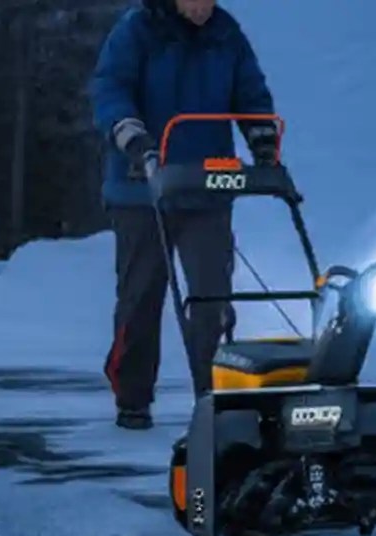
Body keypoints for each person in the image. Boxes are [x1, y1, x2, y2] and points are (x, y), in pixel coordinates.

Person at [89, 0, 278, 430]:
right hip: (141, 187)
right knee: (141, 297)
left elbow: (250, 92)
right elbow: (110, 88)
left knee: (212, 298)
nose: (203, 6)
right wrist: (131, 135)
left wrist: (262, 137)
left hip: (207, 187)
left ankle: (213, 397)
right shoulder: (137, 30)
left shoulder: (226, 34)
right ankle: (133, 399)